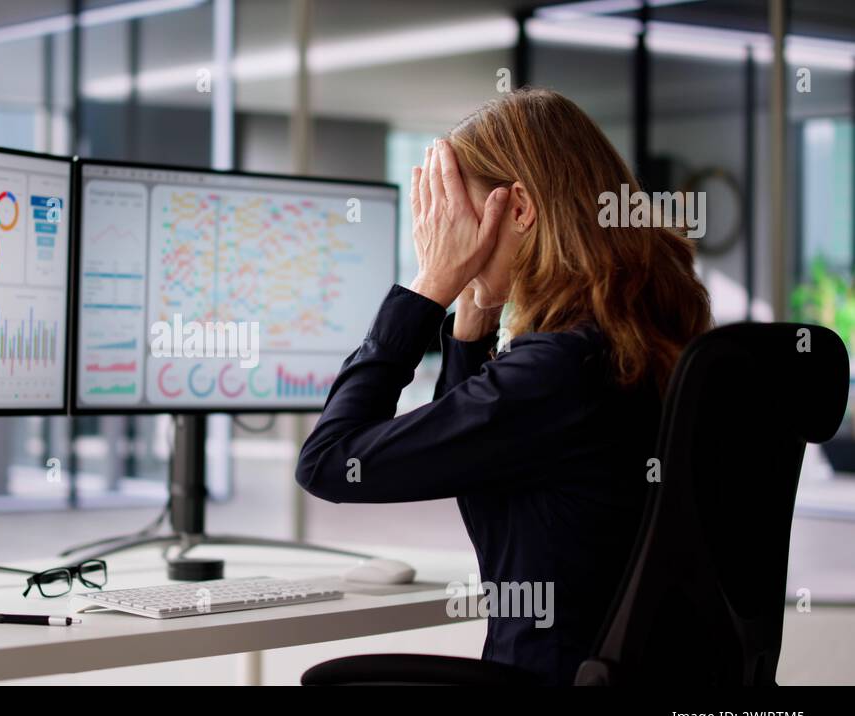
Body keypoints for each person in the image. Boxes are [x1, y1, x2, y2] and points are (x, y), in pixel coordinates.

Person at [295, 88, 712, 685]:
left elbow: (330, 462)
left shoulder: (559, 370)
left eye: (451, 215)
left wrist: (429, 285)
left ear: (517, 208)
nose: (441, 235)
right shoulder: (632, 343)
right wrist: (471, 319)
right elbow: (468, 448)